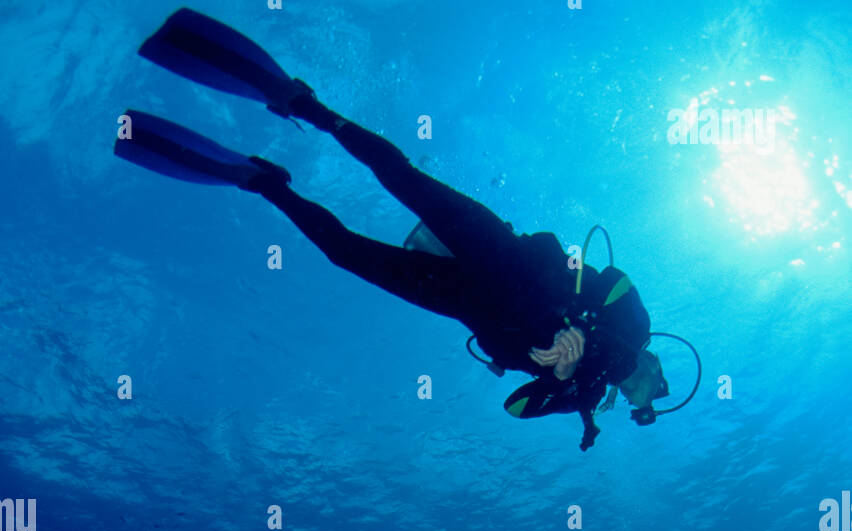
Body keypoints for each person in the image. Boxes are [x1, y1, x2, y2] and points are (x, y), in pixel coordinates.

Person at [115, 8, 667, 450]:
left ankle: (265, 182)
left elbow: (516, 407)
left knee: (344, 253)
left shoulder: (584, 396)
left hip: (464, 299)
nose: (643, 395)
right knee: (399, 176)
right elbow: (615, 278)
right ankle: (302, 103)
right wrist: (583, 327)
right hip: (503, 254)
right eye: (656, 389)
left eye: (643, 404)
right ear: (658, 362)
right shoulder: (633, 323)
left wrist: (566, 374)